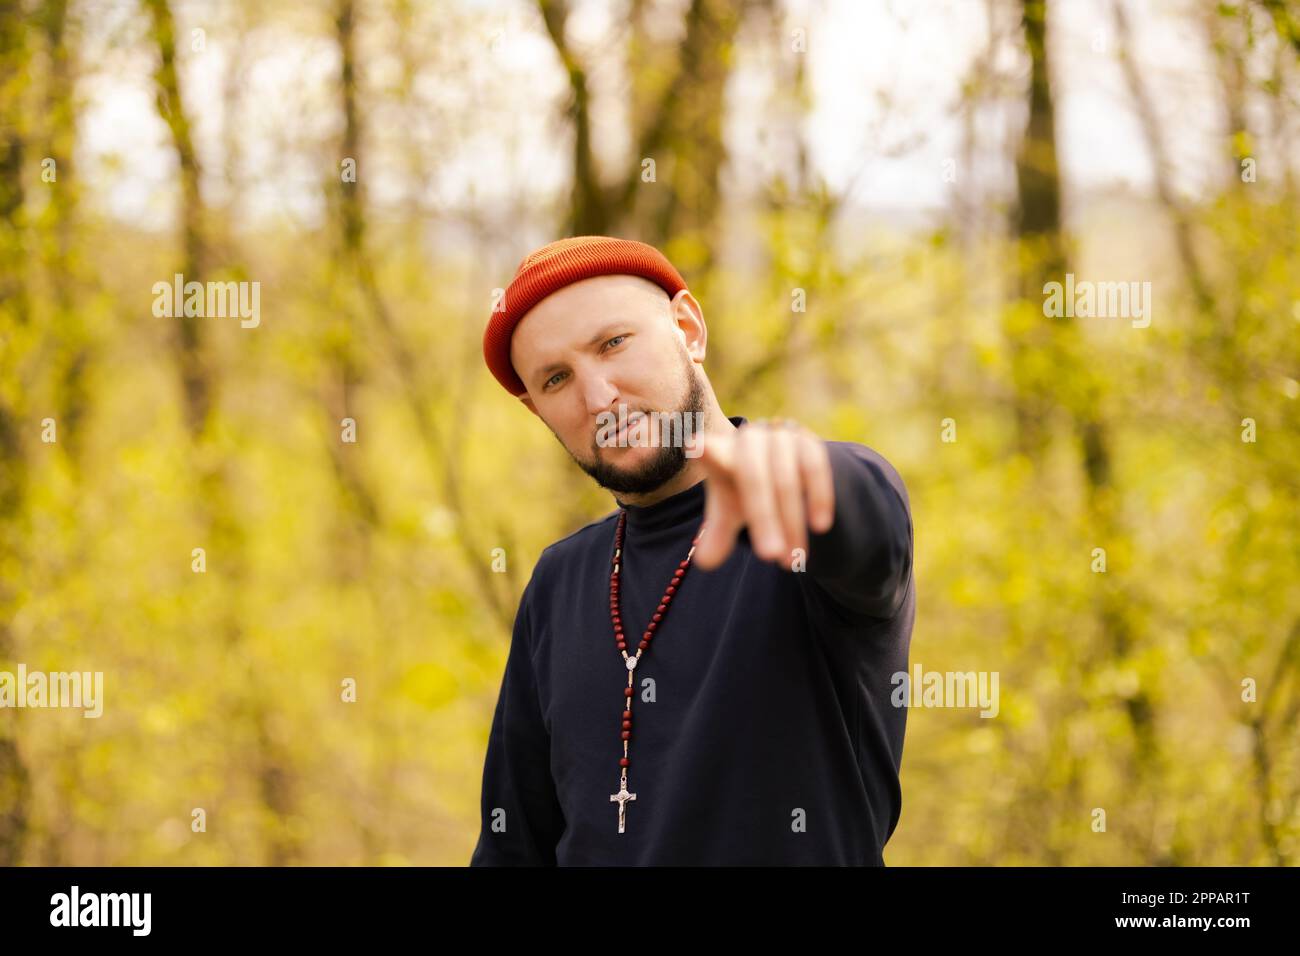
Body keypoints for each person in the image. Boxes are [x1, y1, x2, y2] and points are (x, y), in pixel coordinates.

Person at [470, 235, 914, 865]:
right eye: (557, 378)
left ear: (688, 328)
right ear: (534, 407)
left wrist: (798, 469)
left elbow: (865, 522)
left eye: (613, 343)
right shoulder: (557, 582)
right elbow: (512, 848)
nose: (598, 398)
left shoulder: (804, 526)